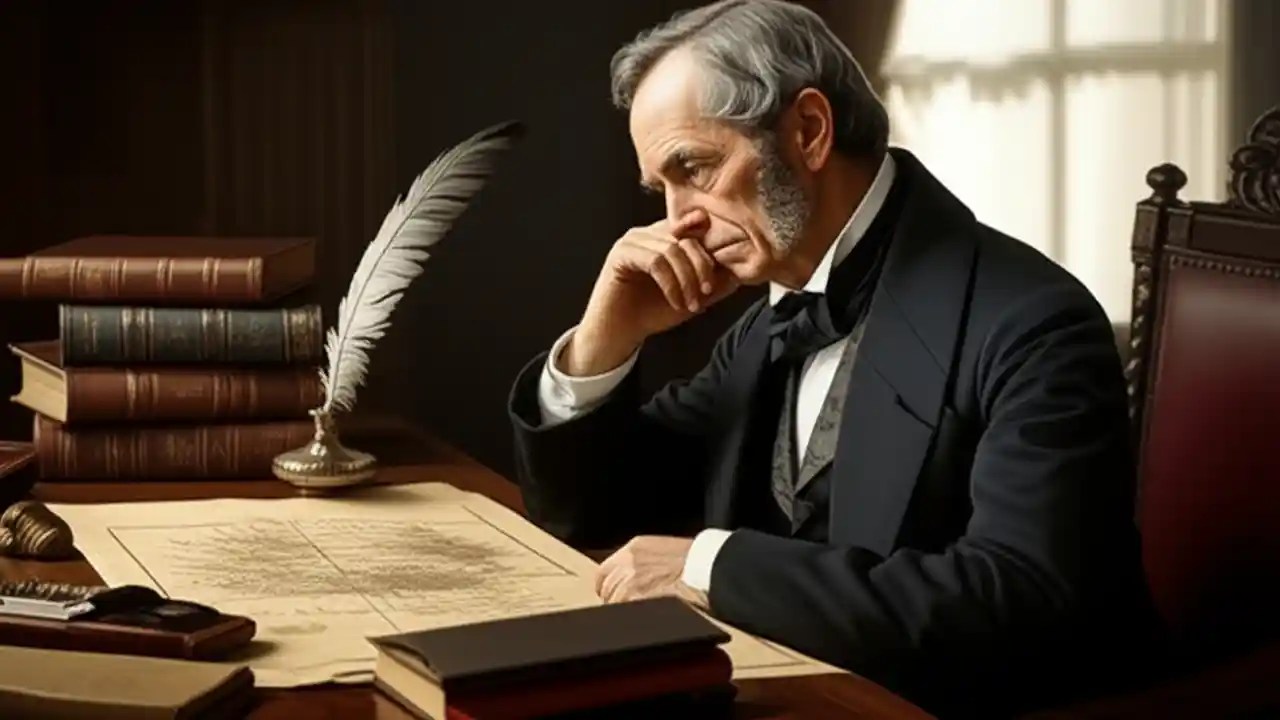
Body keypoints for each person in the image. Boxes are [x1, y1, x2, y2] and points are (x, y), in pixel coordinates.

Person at [507, 1, 1153, 715]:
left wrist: (711, 564)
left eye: (694, 168)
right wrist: (604, 338)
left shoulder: (1035, 323)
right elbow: (592, 514)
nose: (676, 222)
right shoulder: (766, 323)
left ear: (809, 131)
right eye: (662, 187)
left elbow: (1023, 601)